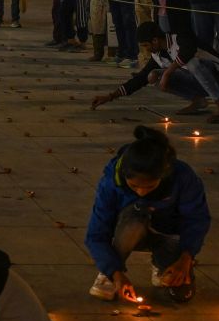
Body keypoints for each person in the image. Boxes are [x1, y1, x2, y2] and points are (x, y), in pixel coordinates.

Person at [84, 126, 210, 304]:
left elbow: (196, 219)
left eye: (149, 186)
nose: (141, 192)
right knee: (136, 213)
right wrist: (115, 272)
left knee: (181, 294)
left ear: (163, 175)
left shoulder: (182, 177)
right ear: (124, 175)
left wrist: (186, 258)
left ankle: (161, 264)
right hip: (128, 230)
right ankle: (108, 275)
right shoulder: (111, 182)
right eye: (134, 186)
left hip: (168, 231)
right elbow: (96, 234)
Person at [90, 21, 219, 122]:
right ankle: (198, 100)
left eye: (146, 45)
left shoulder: (178, 38)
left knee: (191, 63)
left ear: (155, 40)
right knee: (152, 76)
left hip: (217, 76)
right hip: (197, 82)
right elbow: (140, 79)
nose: (146, 50)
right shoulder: (157, 55)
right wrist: (110, 96)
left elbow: (187, 52)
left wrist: (168, 72)